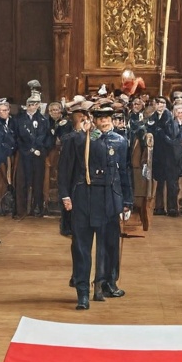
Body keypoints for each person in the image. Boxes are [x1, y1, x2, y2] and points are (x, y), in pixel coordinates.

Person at [60, 100, 131, 309]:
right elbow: (65, 170)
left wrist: (127, 199)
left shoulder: (119, 141)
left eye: (109, 118)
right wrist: (65, 195)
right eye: (101, 118)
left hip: (109, 199)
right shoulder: (80, 140)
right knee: (81, 247)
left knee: (107, 246)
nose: (106, 122)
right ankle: (83, 291)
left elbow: (124, 172)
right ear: (93, 120)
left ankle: (104, 282)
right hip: (84, 198)